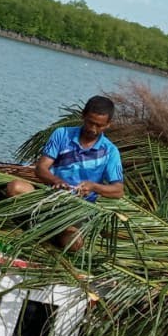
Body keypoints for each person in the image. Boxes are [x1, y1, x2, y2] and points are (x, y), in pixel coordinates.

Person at [32, 95, 124, 250]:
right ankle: (41, 225)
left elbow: (118, 190)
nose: (93, 129)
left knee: (75, 244)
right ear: (83, 116)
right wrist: (56, 181)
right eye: (90, 122)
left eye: (99, 126)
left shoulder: (110, 151)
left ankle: (53, 234)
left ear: (108, 125)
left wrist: (94, 187)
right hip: (49, 197)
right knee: (16, 188)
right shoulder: (61, 134)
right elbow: (41, 168)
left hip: (76, 209)